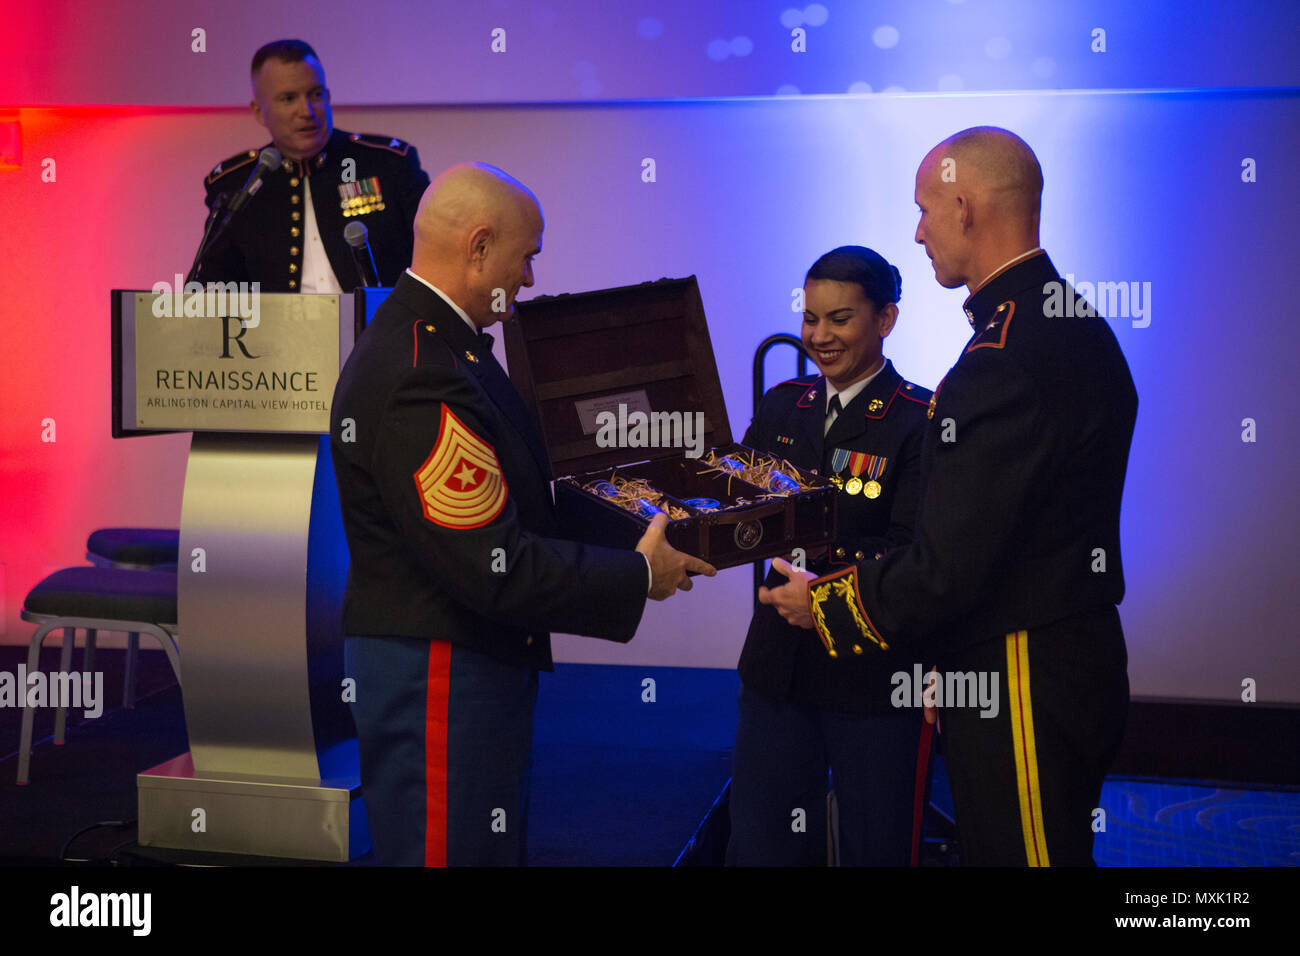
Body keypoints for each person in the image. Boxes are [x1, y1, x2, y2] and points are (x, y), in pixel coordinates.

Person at [760, 127, 1137, 866]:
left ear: (964, 207)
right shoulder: (1063, 320)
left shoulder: (1001, 358)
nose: (919, 233)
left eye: (926, 211)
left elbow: (948, 565)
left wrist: (827, 603)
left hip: (1022, 664)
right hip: (1053, 649)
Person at [330, 162, 715, 866]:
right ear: (479, 247)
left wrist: (647, 523)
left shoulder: (446, 346)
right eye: (527, 255)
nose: (533, 278)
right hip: (440, 671)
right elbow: (491, 563)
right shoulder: (424, 369)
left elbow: (525, 497)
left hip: (461, 658)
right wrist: (635, 575)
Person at [727, 246, 933, 866]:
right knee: (763, 845)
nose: (819, 336)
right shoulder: (783, 405)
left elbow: (913, 552)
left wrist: (819, 591)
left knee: (875, 845)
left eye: (839, 319)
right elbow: (741, 509)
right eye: (810, 318)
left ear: (886, 320)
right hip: (777, 669)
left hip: (869, 675)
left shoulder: (921, 419)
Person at [196, 39, 430, 291]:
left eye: (316, 94)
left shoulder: (386, 163)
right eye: (288, 98)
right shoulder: (238, 183)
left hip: (380, 327)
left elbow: (437, 258)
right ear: (259, 112)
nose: (306, 110)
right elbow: (214, 288)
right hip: (278, 329)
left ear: (328, 97)